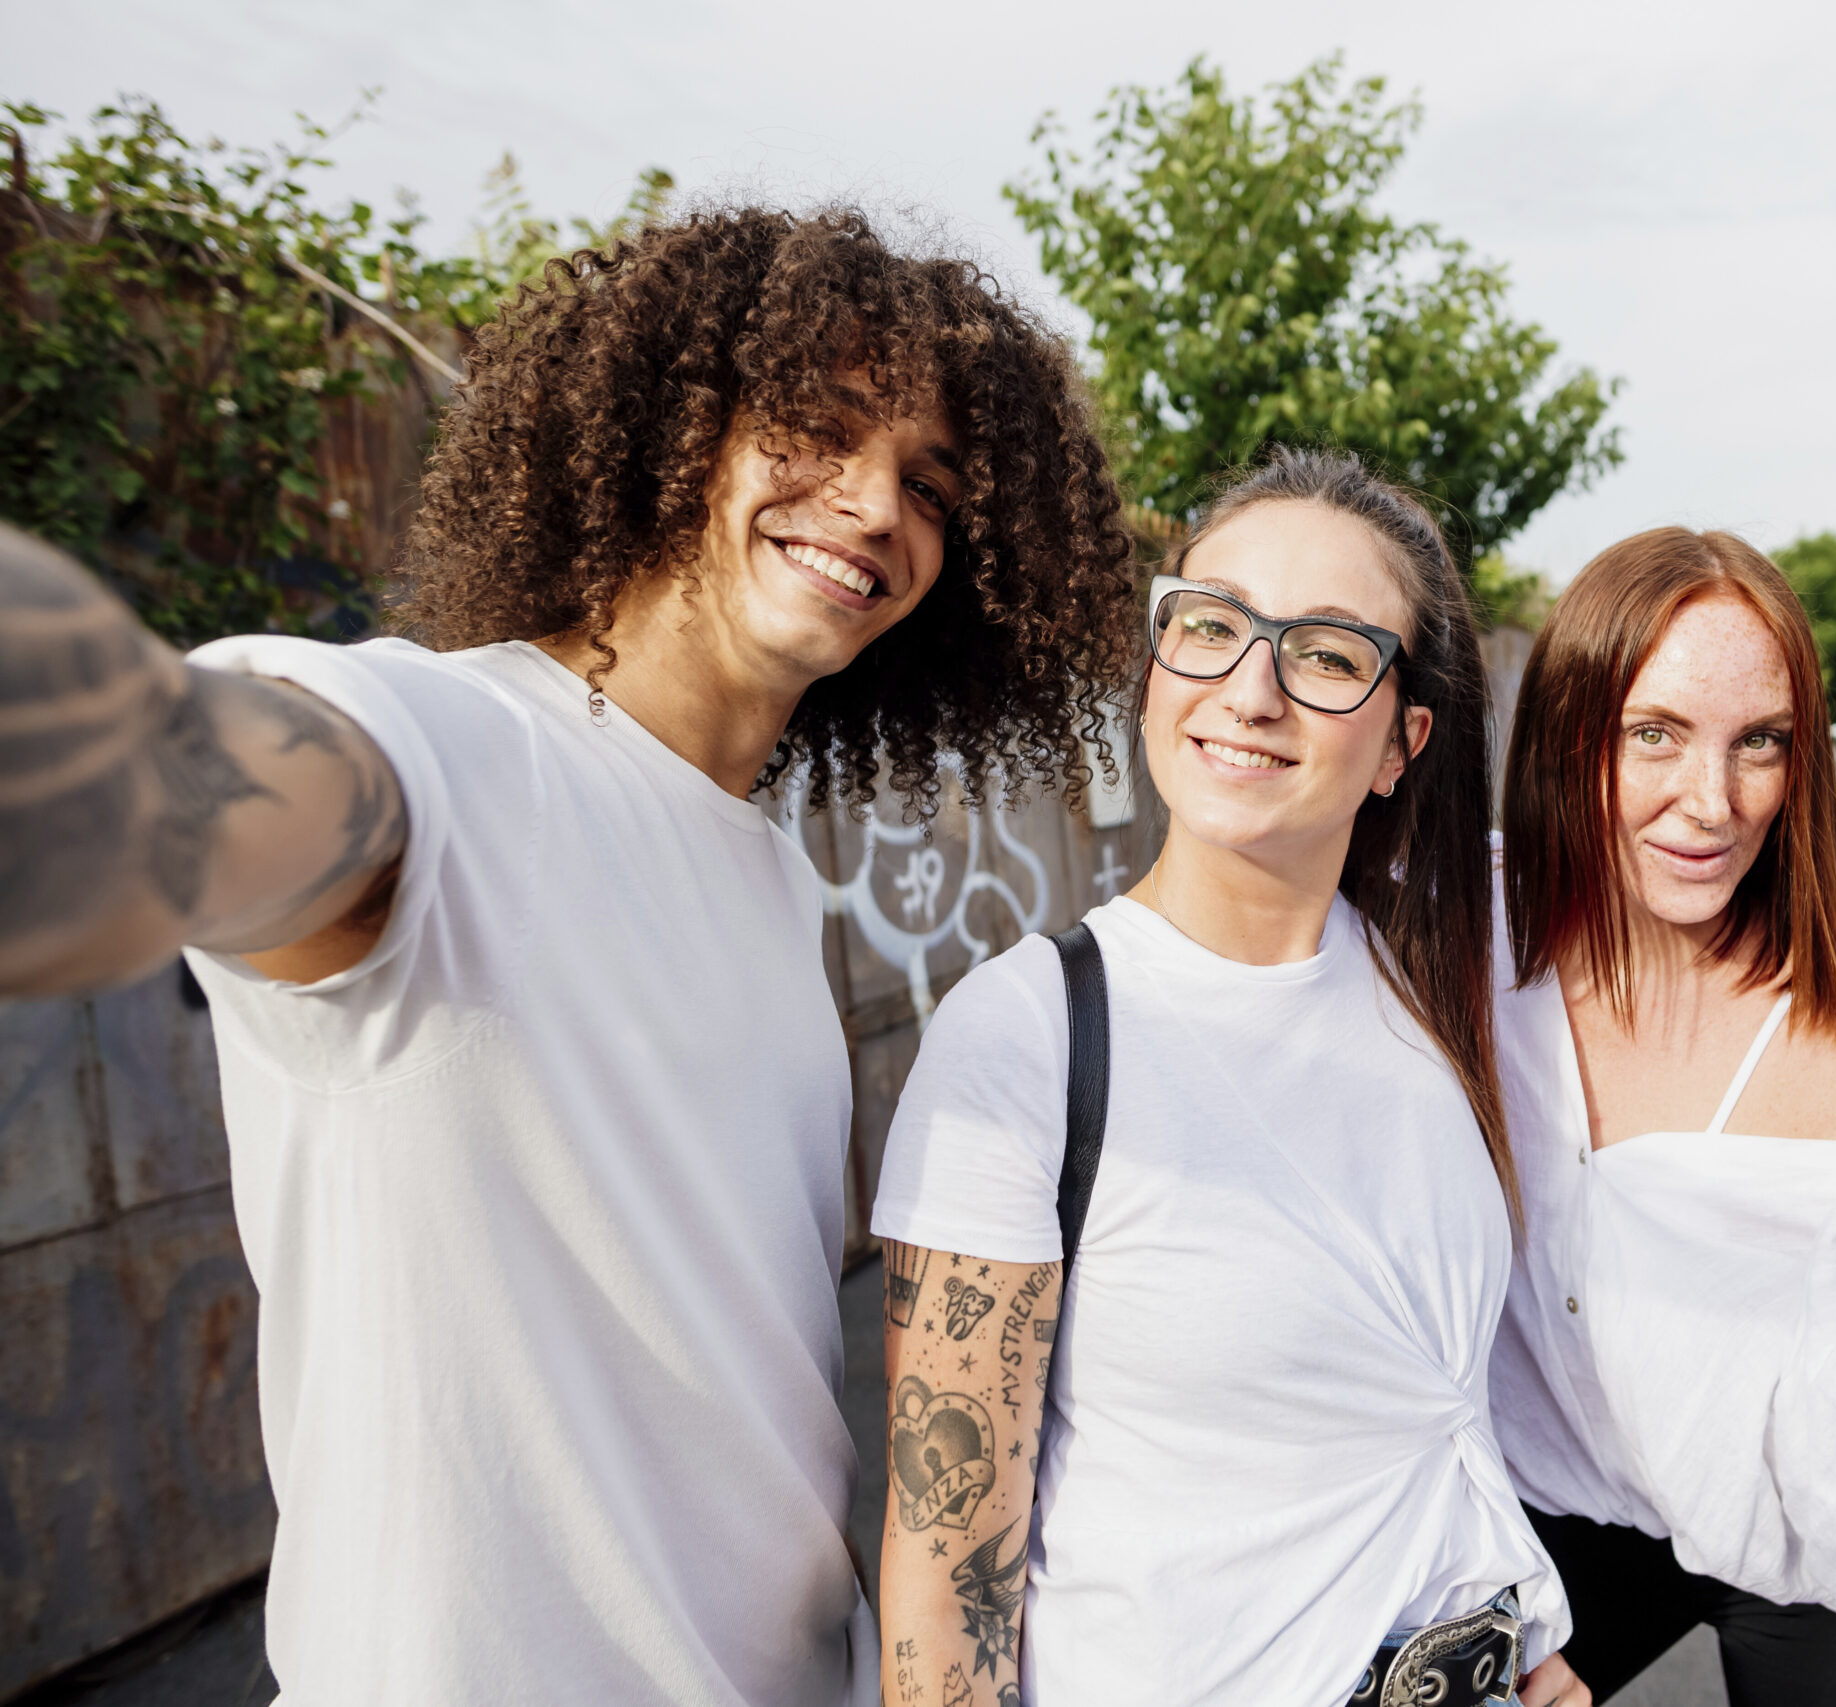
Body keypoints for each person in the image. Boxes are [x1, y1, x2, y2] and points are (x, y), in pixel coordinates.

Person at [0, 206, 1135, 1705]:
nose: (874, 504)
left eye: (931, 483)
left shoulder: (765, 870)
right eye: (818, 426)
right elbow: (214, 782)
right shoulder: (452, 749)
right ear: (678, 430)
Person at [870, 448, 1588, 1707]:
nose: (1250, 692)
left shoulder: (1434, 987)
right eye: (1210, 626)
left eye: (1327, 654)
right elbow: (946, 1575)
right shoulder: (1032, 1033)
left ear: (1401, 744)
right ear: (1155, 674)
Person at [1488, 528, 1836, 1705]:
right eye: (1653, 733)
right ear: (1566, 733)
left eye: (1760, 743)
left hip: (1809, 1525)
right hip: (1565, 1493)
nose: (1713, 803)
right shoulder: (1464, 946)